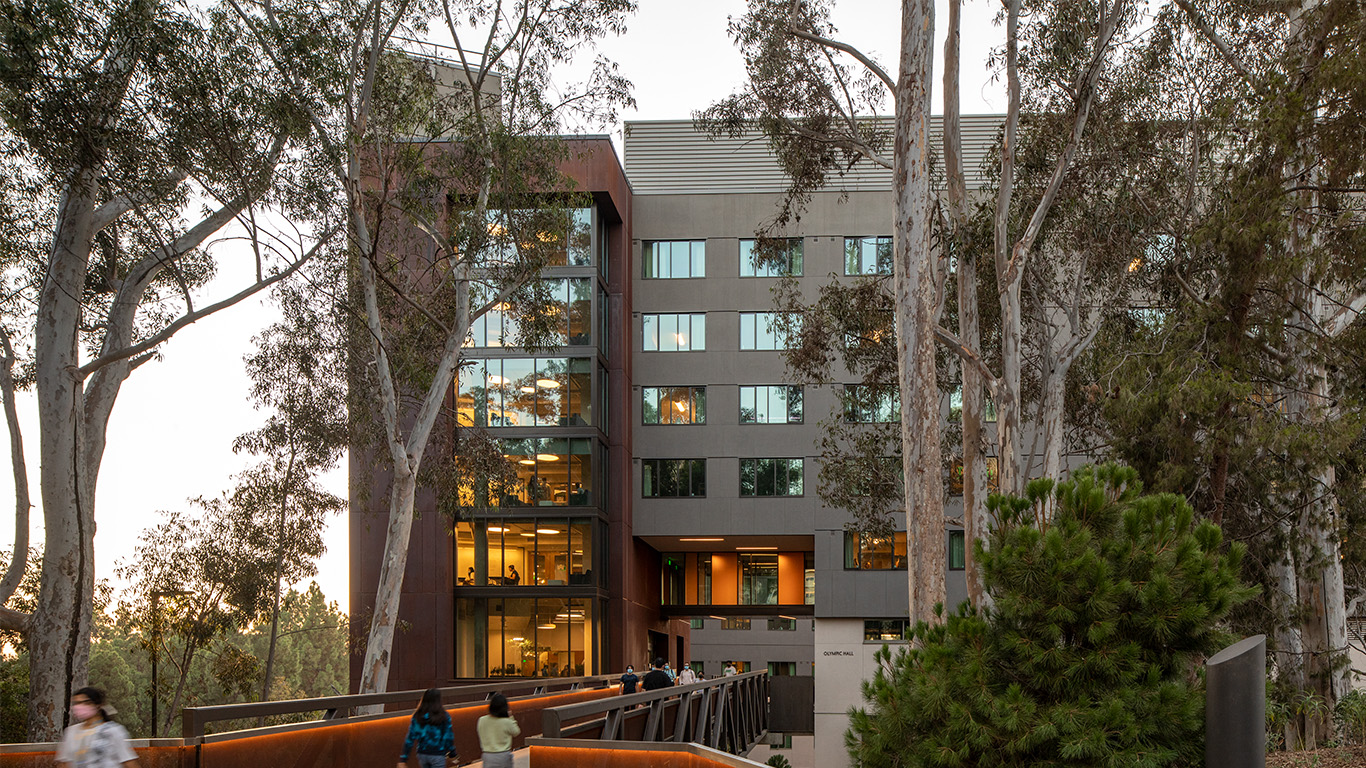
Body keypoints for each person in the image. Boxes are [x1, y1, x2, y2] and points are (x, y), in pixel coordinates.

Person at [56, 687, 139, 768]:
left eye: (86, 702)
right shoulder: (71, 731)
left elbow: (129, 762)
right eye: (77, 703)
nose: (80, 706)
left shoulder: (113, 731)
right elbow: (64, 763)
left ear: (98, 705)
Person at [398, 688, 456, 768]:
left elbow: (410, 738)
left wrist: (403, 759)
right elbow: (448, 737)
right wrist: (452, 753)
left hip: (422, 754)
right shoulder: (443, 716)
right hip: (438, 753)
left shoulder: (417, 716)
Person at [477, 692, 521, 768]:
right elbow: (516, 732)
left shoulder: (482, 720)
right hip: (503, 755)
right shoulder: (506, 722)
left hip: (487, 755)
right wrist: (510, 717)